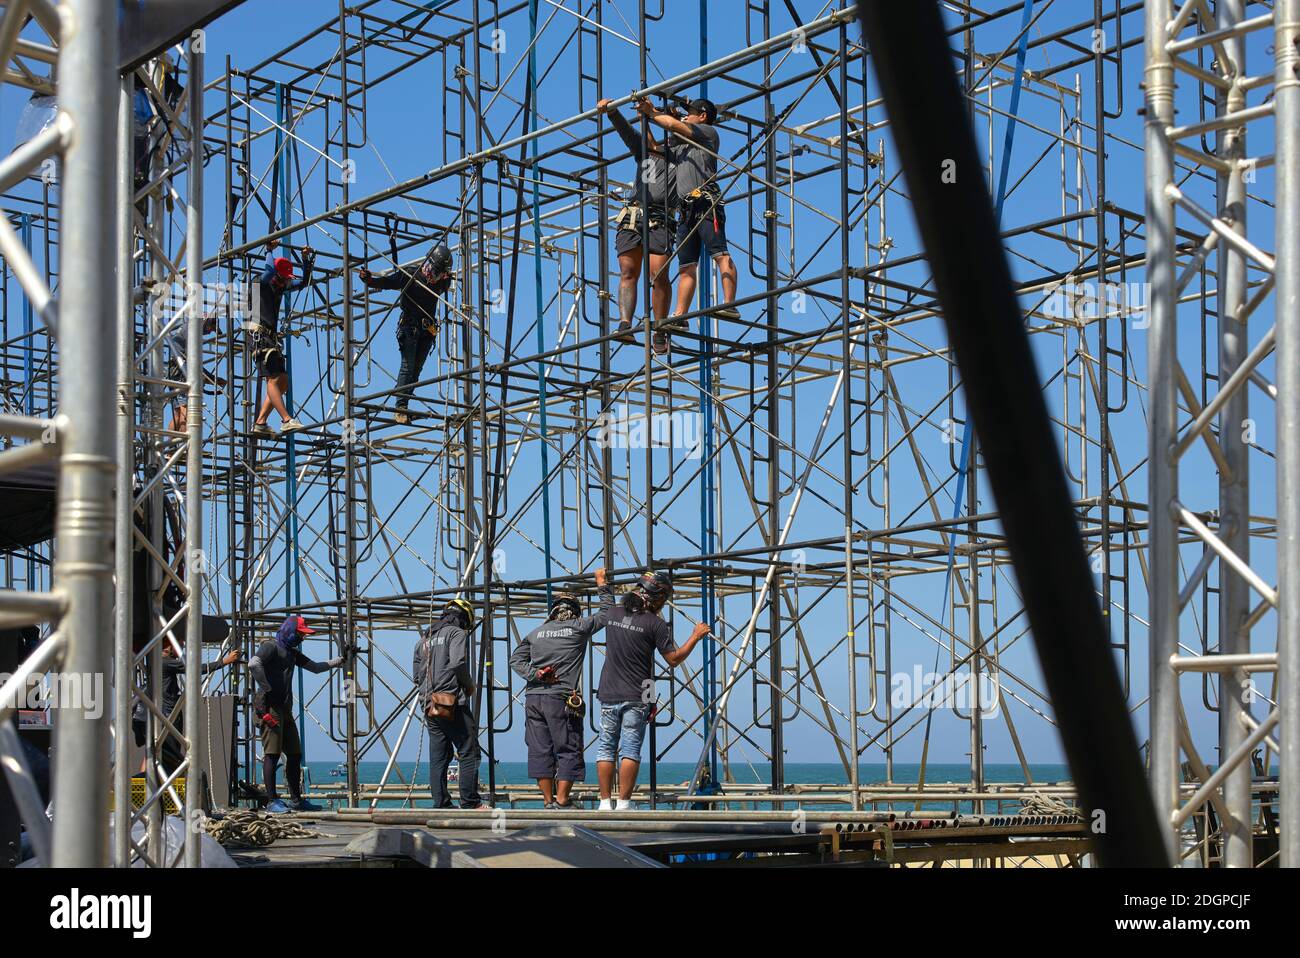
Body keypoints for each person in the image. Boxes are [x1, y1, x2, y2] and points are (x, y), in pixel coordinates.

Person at [595, 570, 711, 810]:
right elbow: (674, 659)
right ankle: (624, 804)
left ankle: (605, 803)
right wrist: (695, 636)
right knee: (630, 748)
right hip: (637, 696)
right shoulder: (655, 624)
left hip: (608, 692)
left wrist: (601, 582)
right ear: (656, 596)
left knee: (606, 746)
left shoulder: (612, 613)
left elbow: (605, 601)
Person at [636, 97, 741, 354]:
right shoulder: (680, 146)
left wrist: (655, 112)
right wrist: (649, 117)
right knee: (686, 266)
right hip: (685, 209)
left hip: (706, 203)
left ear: (702, 116)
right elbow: (653, 146)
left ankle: (729, 303)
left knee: (719, 253)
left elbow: (675, 126)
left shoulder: (706, 133)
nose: (686, 116)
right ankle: (681, 314)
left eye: (691, 112)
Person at [509, 569, 614, 809]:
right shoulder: (579, 627)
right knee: (568, 747)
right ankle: (563, 799)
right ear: (575, 611)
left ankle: (547, 802)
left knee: (539, 749)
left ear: (553, 610)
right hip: (561, 698)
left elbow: (515, 660)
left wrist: (535, 674)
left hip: (533, 698)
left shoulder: (535, 633)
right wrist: (601, 584)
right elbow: (607, 613)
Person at [249, 616, 348, 813]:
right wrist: (267, 687)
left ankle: (296, 799)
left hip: (285, 709)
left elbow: (316, 668)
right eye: (300, 633)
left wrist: (341, 660)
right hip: (270, 708)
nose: (301, 638)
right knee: (272, 755)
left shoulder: (292, 653)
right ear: (289, 631)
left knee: (294, 754)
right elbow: (254, 664)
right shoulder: (271, 647)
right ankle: (272, 801)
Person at [596, 99, 676, 343]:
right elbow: (628, 133)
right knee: (628, 271)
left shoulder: (682, 157)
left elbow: (678, 135)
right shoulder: (645, 153)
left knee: (658, 273)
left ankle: (660, 328)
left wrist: (656, 116)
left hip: (661, 218)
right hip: (635, 215)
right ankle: (625, 324)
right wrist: (612, 112)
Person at [357, 244, 454, 424]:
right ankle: (400, 408)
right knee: (407, 367)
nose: (439, 277)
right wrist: (370, 280)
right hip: (410, 328)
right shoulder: (410, 275)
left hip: (427, 331)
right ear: (430, 265)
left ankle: (404, 406)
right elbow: (388, 282)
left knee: (415, 373)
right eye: (438, 272)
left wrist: (446, 276)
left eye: (442, 273)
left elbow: (446, 281)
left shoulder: (442, 281)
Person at [413, 598, 486, 809]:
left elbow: (416, 676)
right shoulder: (456, 633)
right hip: (451, 702)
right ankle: (470, 802)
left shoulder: (423, 639)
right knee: (468, 750)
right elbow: (457, 663)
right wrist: (469, 685)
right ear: (464, 618)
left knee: (439, 756)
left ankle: (441, 803)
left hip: (428, 704)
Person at [132, 639, 241, 776]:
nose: (181, 649)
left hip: (156, 716)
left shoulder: (155, 660)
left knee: (152, 752)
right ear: (169, 646)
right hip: (165, 717)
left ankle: (143, 784)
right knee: (169, 757)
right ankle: (149, 784)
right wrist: (224, 661)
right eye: (180, 646)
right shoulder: (165, 662)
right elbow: (194, 669)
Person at [250, 245, 315, 436]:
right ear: (277, 276)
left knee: (283, 381)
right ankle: (286, 419)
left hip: (268, 337)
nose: (286, 283)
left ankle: (261, 422)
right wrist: (268, 251)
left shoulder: (278, 286)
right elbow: (269, 270)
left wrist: (305, 260)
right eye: (284, 278)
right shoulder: (259, 284)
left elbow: (304, 283)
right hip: (258, 336)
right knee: (273, 378)